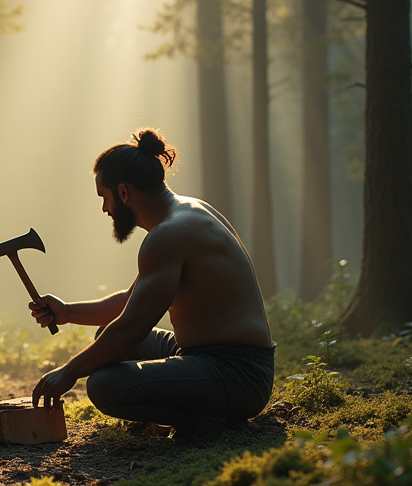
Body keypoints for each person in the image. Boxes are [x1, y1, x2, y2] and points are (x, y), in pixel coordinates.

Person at [27, 128, 274, 439]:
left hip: (238, 373)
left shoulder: (170, 234)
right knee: (107, 334)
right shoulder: (185, 213)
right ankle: (198, 410)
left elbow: (132, 327)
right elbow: (129, 304)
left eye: (105, 198)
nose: (105, 208)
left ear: (123, 192)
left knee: (104, 385)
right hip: (203, 356)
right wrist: (66, 312)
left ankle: (201, 422)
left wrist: (67, 373)